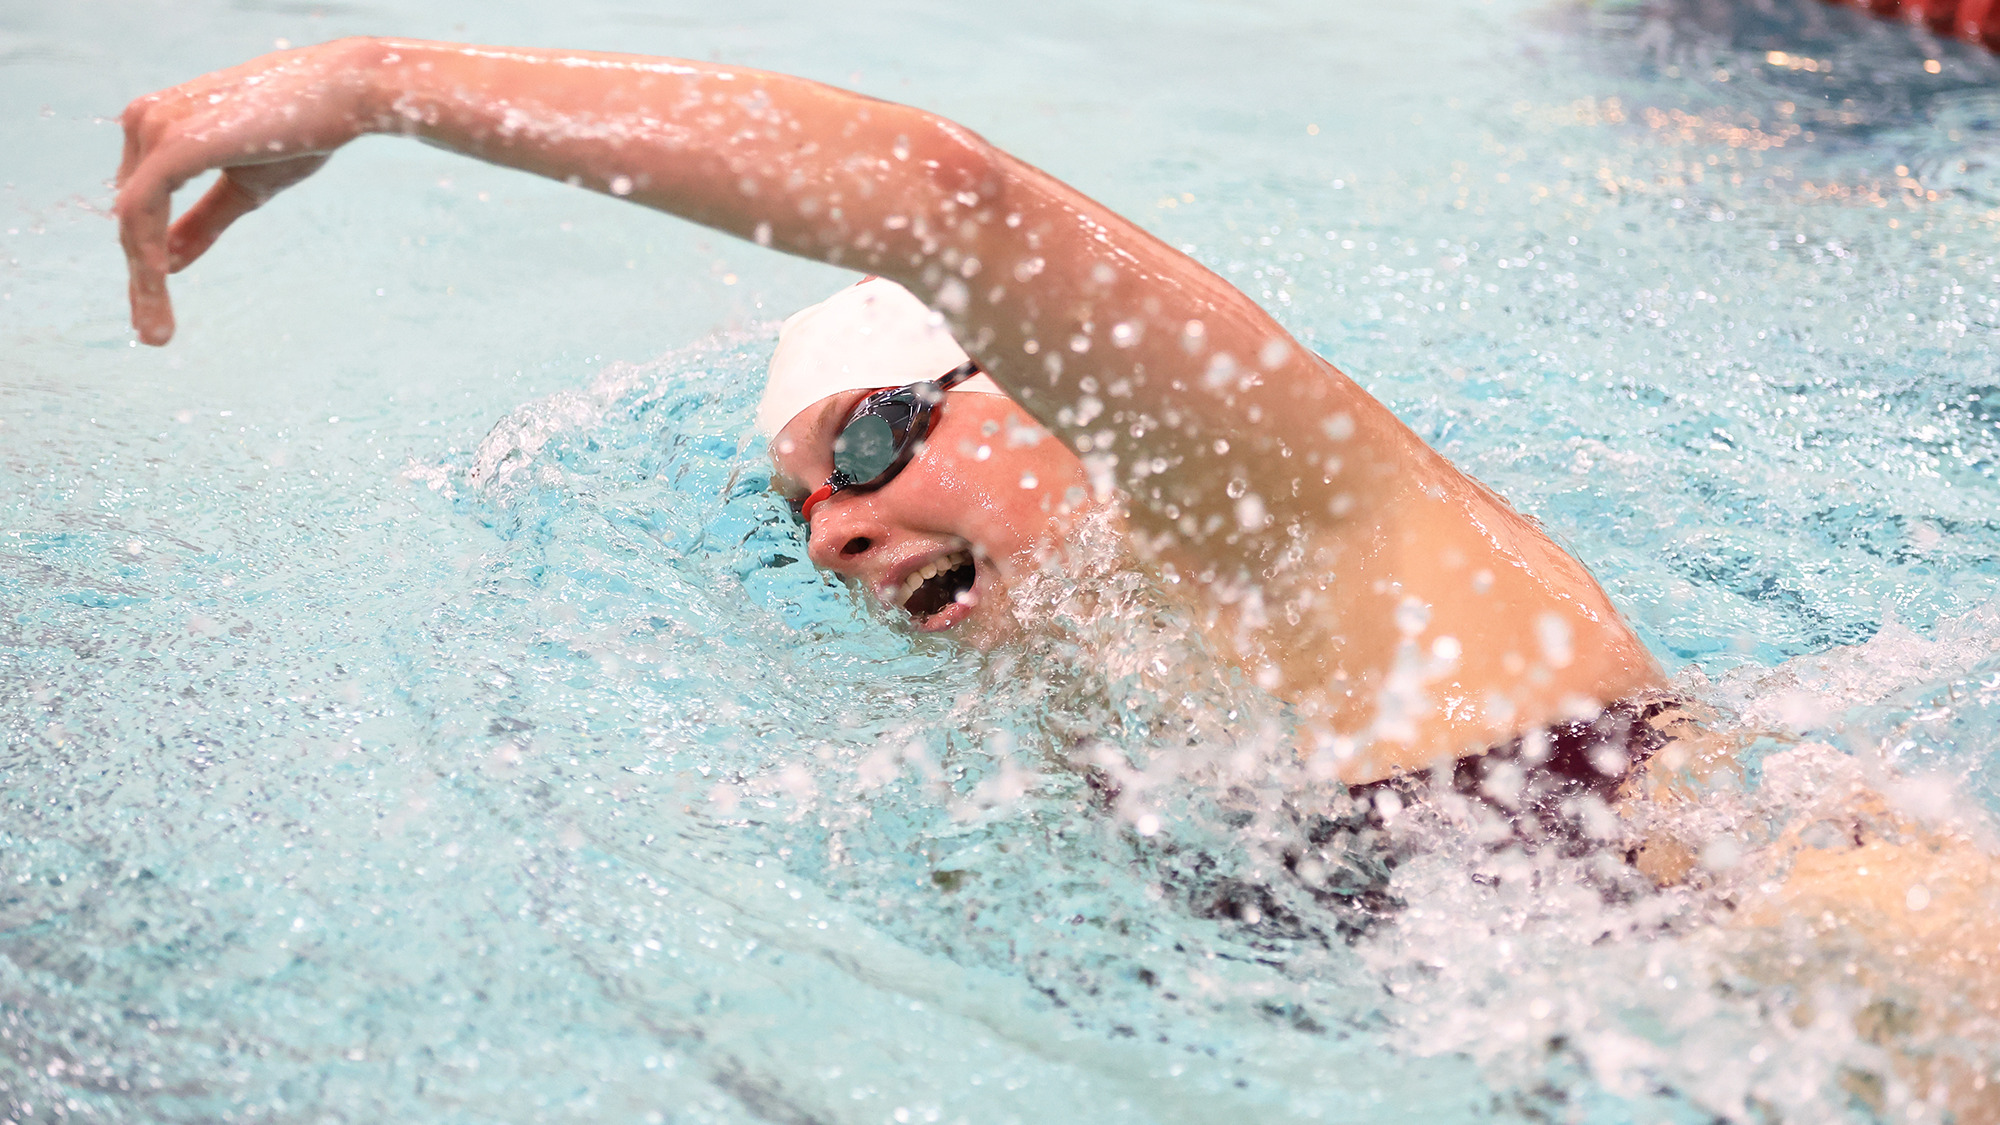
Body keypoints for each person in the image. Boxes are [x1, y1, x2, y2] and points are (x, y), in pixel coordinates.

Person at [115, 39, 1998, 1116]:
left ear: (1057, 394)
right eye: (805, 520)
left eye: (870, 439)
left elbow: (941, 195)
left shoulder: (1312, 536)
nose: (842, 527)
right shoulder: (1106, 772)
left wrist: (375, 85)